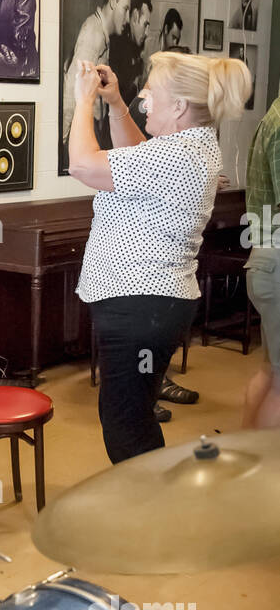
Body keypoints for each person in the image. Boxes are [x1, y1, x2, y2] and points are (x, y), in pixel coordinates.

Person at [69, 50, 252, 462]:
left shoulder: (178, 155)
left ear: (180, 106)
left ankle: (149, 518)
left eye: (150, 93)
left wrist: (82, 101)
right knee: (134, 416)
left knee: (126, 425)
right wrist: (113, 103)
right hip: (153, 304)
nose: (143, 100)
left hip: (141, 306)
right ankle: (151, 511)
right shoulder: (187, 147)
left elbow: (82, 165)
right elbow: (134, 157)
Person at [62, 0, 132, 153]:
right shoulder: (94, 33)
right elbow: (71, 85)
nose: (127, 19)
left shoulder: (101, 34)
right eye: (125, 9)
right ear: (113, 1)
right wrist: (62, 138)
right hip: (81, 129)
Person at [242, 91, 280, 428]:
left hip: (266, 256)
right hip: (277, 261)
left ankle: (245, 459)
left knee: (270, 372)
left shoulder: (273, 116)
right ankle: (267, 472)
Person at [109, 0, 152, 109]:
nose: (147, 32)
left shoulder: (135, 48)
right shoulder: (118, 46)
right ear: (135, 16)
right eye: (145, 25)